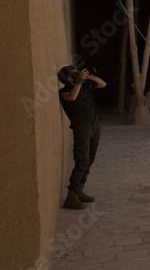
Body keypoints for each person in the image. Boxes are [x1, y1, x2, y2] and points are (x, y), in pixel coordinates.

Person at [57, 65, 106, 209]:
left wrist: (90, 77)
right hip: (82, 127)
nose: (77, 72)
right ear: (69, 79)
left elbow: (103, 84)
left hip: (94, 124)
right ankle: (71, 195)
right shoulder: (65, 91)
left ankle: (80, 189)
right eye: (74, 73)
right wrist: (79, 81)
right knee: (82, 160)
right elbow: (72, 97)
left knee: (89, 159)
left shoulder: (84, 87)